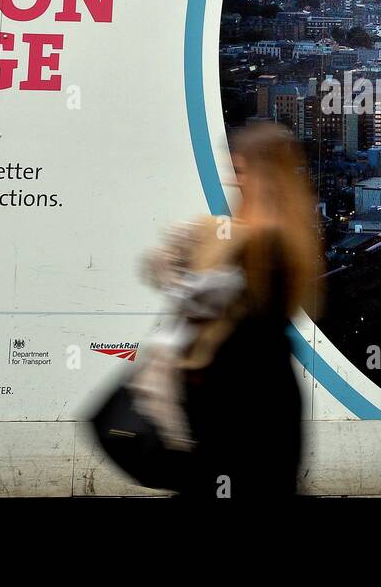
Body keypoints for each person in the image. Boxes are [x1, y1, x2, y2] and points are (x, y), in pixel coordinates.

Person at [135, 122, 321, 499]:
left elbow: (200, 297)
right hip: (261, 398)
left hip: (239, 404)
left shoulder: (262, 242)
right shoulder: (288, 235)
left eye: (241, 170)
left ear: (265, 174)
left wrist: (178, 261)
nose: (235, 181)